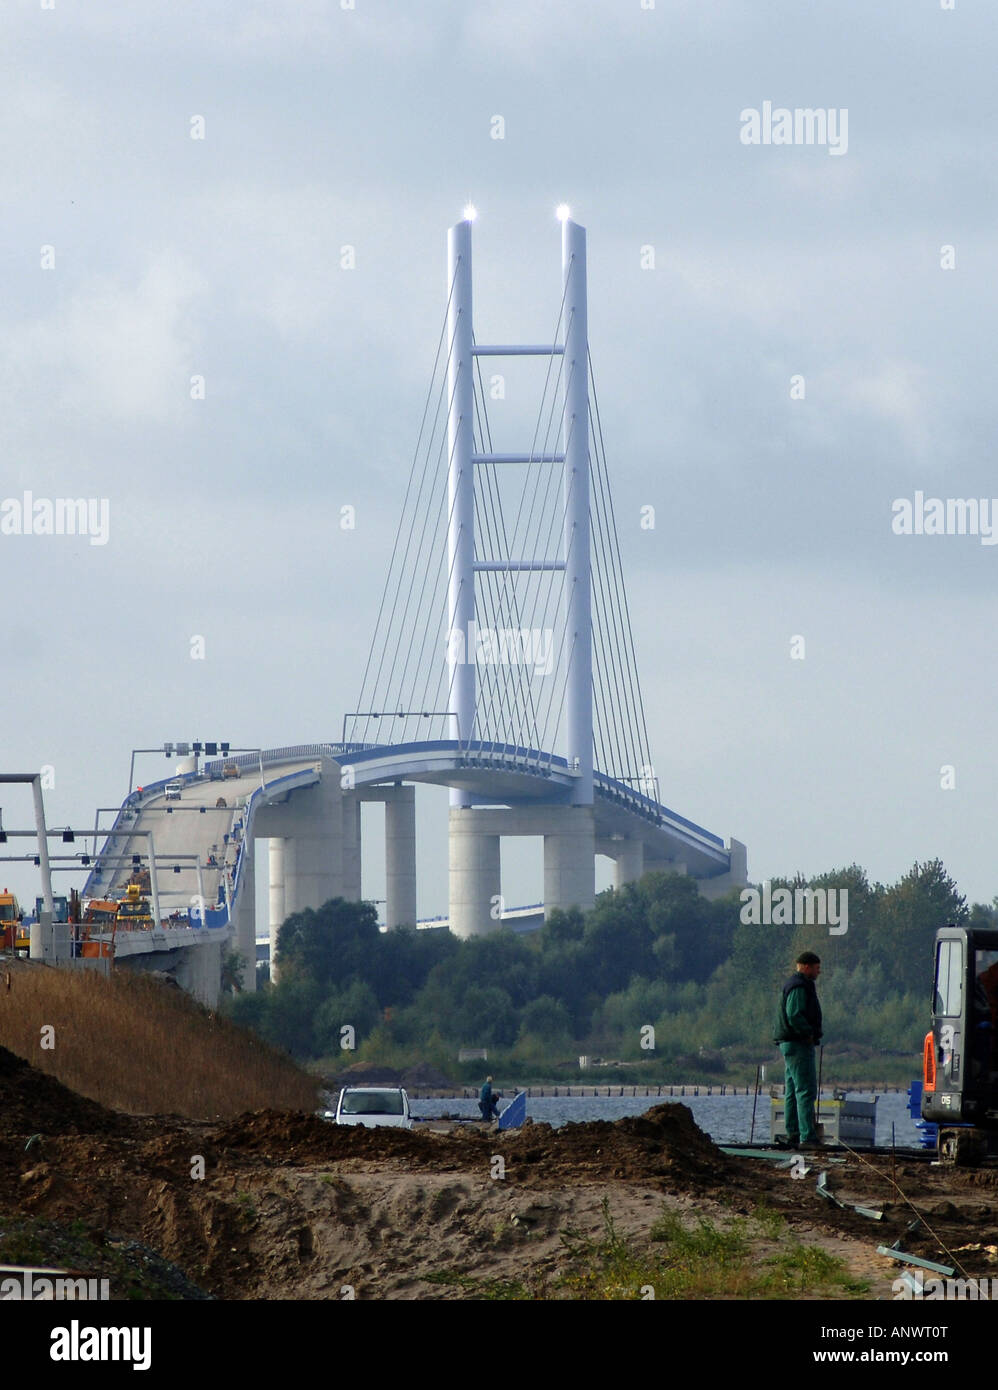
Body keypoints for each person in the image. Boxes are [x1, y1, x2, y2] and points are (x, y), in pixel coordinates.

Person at [774, 951, 823, 1149]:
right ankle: (807, 1137)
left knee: (793, 1090)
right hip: (798, 1043)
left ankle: (793, 1134)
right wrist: (809, 1033)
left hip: (790, 1043)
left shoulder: (796, 985)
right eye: (816, 968)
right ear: (805, 966)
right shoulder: (799, 986)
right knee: (806, 1089)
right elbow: (794, 1015)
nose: (819, 972)